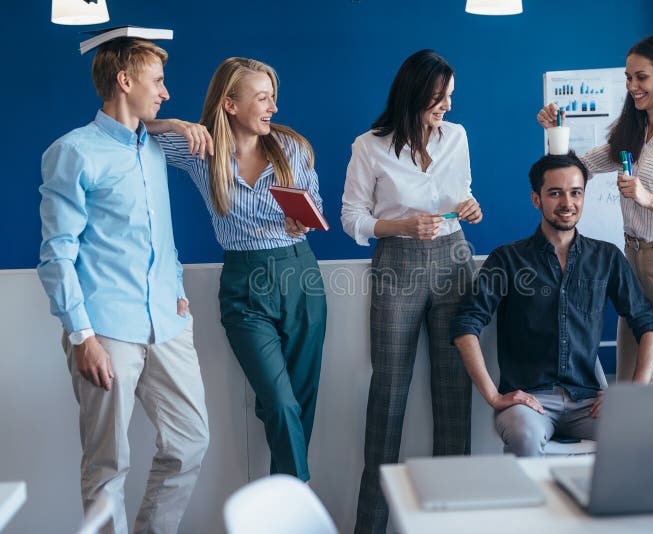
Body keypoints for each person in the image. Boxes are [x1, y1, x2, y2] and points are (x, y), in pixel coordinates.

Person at [37, 38, 209, 533]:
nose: (167, 92)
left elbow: (161, 234)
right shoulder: (71, 152)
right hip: (105, 331)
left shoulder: (153, 147)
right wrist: (81, 337)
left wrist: (176, 286)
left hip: (168, 322)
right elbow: (57, 254)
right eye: (157, 81)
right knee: (108, 465)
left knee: (190, 441)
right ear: (125, 80)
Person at [146, 57, 326, 483]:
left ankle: (283, 508)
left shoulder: (293, 148)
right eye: (262, 98)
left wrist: (303, 219)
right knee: (279, 402)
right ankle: (298, 497)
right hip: (244, 285)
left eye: (272, 97)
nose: (272, 107)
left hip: (299, 274)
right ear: (229, 103)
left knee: (298, 400)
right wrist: (172, 123)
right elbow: (126, 129)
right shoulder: (201, 150)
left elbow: (314, 206)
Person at [341, 49, 482, 534]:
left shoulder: (457, 137)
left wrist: (470, 207)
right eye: (437, 98)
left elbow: (459, 194)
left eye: (449, 98)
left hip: (454, 260)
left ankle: (451, 524)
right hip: (397, 263)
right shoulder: (369, 146)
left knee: (453, 395)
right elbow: (352, 218)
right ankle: (371, 526)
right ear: (413, 94)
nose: (445, 107)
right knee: (389, 394)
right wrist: (401, 225)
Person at [537, 34, 653, 382]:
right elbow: (579, 167)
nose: (632, 86)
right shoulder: (634, 130)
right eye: (629, 78)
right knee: (630, 381)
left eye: (641, 77)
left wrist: (651, 201)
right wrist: (556, 134)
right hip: (634, 263)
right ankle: (645, 440)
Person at [452, 153, 653, 456]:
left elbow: (648, 323)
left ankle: (599, 504)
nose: (567, 203)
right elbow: (465, 325)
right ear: (536, 200)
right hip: (530, 402)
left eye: (576, 192)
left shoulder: (606, 257)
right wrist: (494, 396)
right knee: (524, 437)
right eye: (555, 193)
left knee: (640, 434)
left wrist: (635, 390)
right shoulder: (508, 259)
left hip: (589, 401)